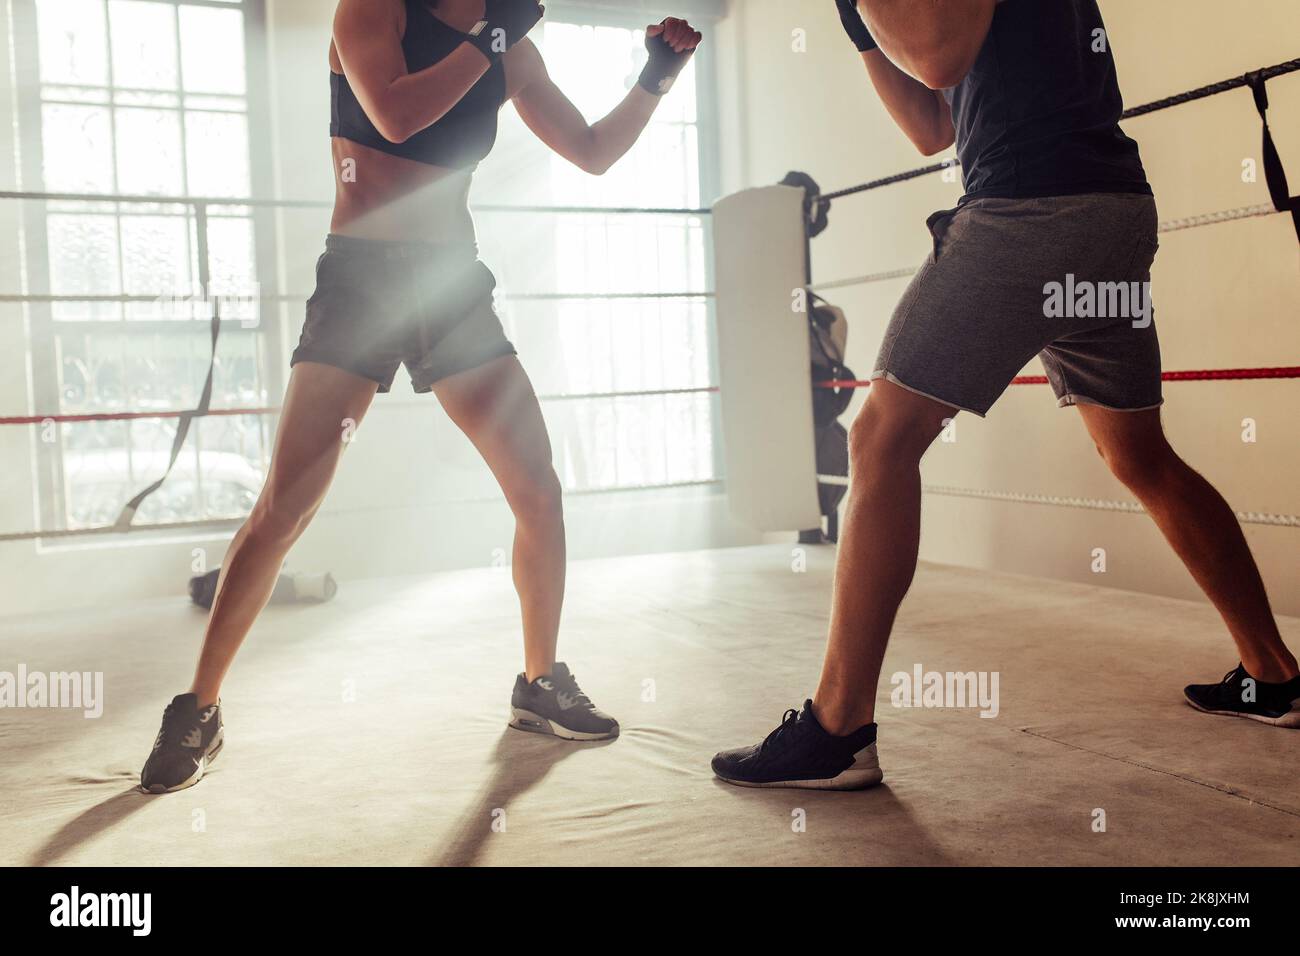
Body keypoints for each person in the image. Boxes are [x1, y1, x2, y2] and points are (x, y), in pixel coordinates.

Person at [712, 0, 1300, 791]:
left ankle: (838, 726)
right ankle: (1274, 673)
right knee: (1139, 455)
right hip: (1109, 217)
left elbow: (936, 60)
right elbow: (933, 125)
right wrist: (859, 26)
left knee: (881, 437)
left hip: (1032, 214)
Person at [141, 0, 703, 793]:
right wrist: (492, 36)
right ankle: (197, 707)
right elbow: (398, 115)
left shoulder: (510, 48)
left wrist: (653, 79)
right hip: (360, 281)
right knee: (287, 507)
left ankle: (539, 684)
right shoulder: (372, 10)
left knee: (537, 489)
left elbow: (592, 151)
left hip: (450, 286)